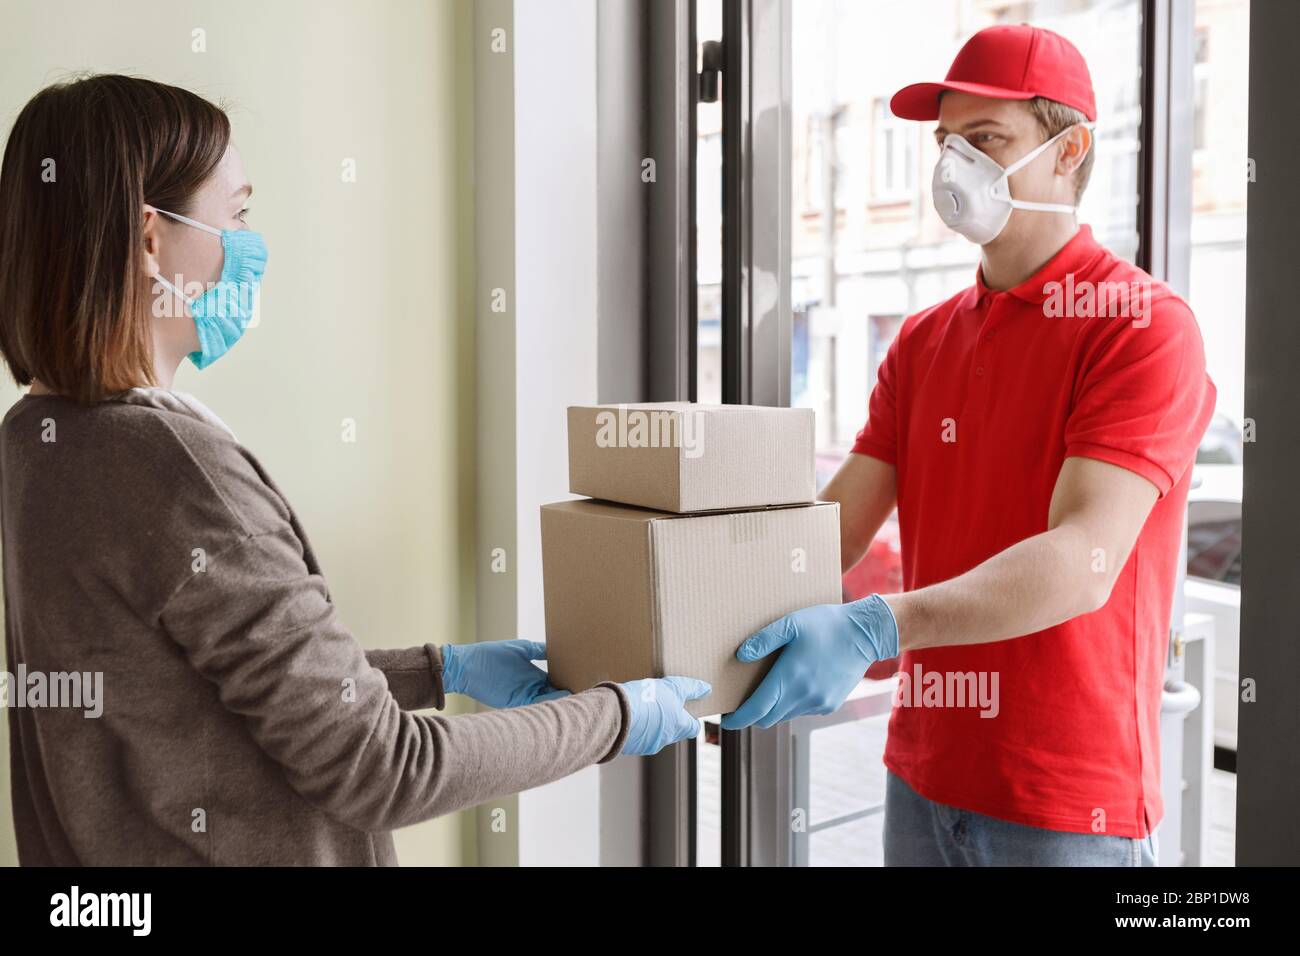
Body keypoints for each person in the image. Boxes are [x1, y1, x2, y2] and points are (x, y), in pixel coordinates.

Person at [0, 74, 708, 866]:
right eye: (236, 216)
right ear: (150, 238)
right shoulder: (174, 471)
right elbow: (385, 770)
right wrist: (618, 718)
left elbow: (188, 693)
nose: (249, 246)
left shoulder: (37, 441)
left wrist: (441, 672)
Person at [724, 24, 1214, 867]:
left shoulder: (1140, 327)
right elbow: (834, 524)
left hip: (1065, 804)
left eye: (987, 142)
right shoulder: (922, 341)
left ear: (1071, 151)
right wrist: (692, 631)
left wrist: (879, 626)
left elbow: (1082, 560)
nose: (955, 167)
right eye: (947, 144)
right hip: (923, 777)